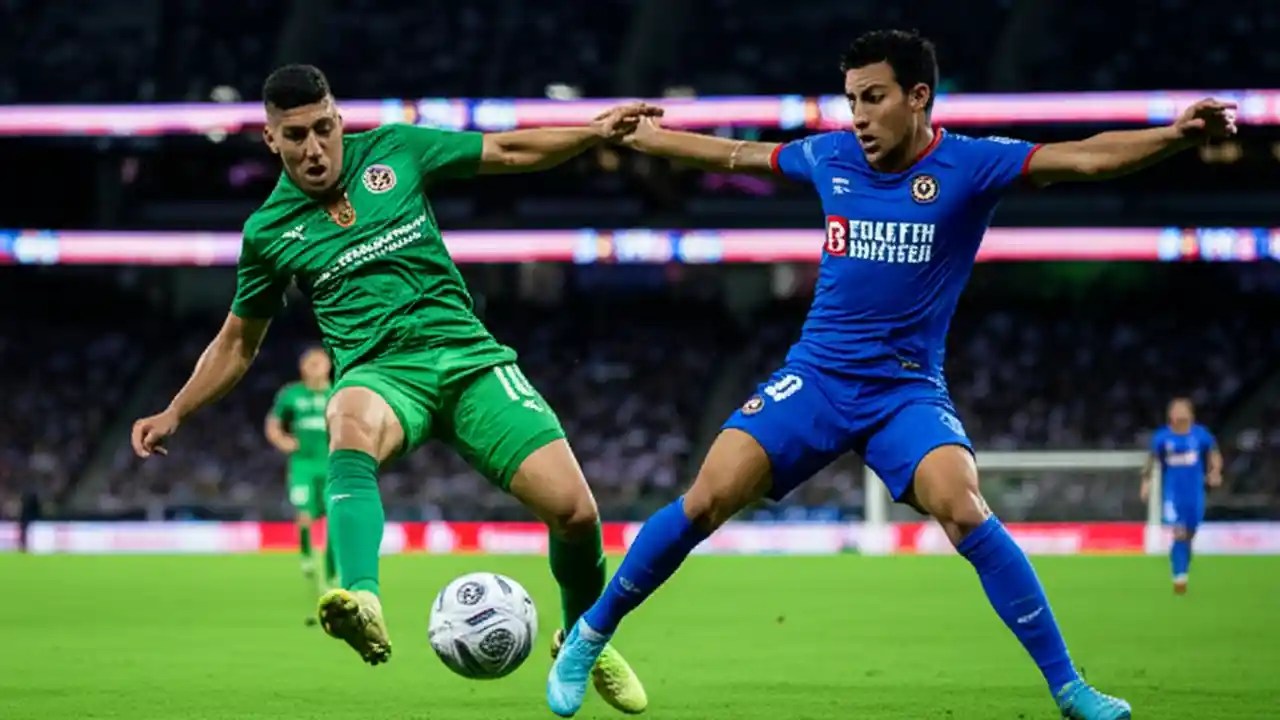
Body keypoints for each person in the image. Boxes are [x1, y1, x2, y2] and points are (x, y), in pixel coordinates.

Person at [548, 29, 1236, 720]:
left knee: (964, 507)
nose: (858, 116)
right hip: (816, 378)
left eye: (872, 98)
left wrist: (1173, 136)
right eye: (851, 100)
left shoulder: (971, 165)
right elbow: (737, 153)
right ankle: (586, 638)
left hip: (904, 391)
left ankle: (1069, 689)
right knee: (704, 500)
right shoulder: (831, 155)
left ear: (918, 97)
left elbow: (1084, 159)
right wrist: (645, 139)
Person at [131, 64, 656, 713]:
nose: (314, 147)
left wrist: (594, 131)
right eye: (295, 136)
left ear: (339, 119)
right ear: (272, 140)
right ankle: (362, 598)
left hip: (468, 360)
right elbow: (239, 342)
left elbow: (508, 149)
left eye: (323, 128)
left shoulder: (396, 149)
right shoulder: (268, 233)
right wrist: (177, 409)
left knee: (577, 514)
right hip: (381, 376)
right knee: (344, 415)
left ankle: (584, 641)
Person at [265, 346, 337, 623]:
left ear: (328, 366)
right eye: (310, 363)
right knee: (305, 515)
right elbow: (273, 423)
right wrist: (283, 441)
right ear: (302, 367)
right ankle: (307, 556)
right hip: (303, 466)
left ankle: (332, 572)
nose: (315, 367)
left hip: (331, 465)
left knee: (334, 518)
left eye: (320, 363)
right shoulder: (291, 394)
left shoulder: (337, 393)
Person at [1141, 397, 1223, 594]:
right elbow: (1151, 460)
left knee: (1190, 532)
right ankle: (1179, 577)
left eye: (1182, 409)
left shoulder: (1200, 435)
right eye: (1175, 410)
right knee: (1179, 533)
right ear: (1170, 415)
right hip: (1172, 494)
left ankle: (1181, 560)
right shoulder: (1162, 438)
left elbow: (1214, 454)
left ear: (1190, 413)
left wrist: (1215, 472)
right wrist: (1146, 482)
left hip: (1194, 494)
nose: (1179, 413)